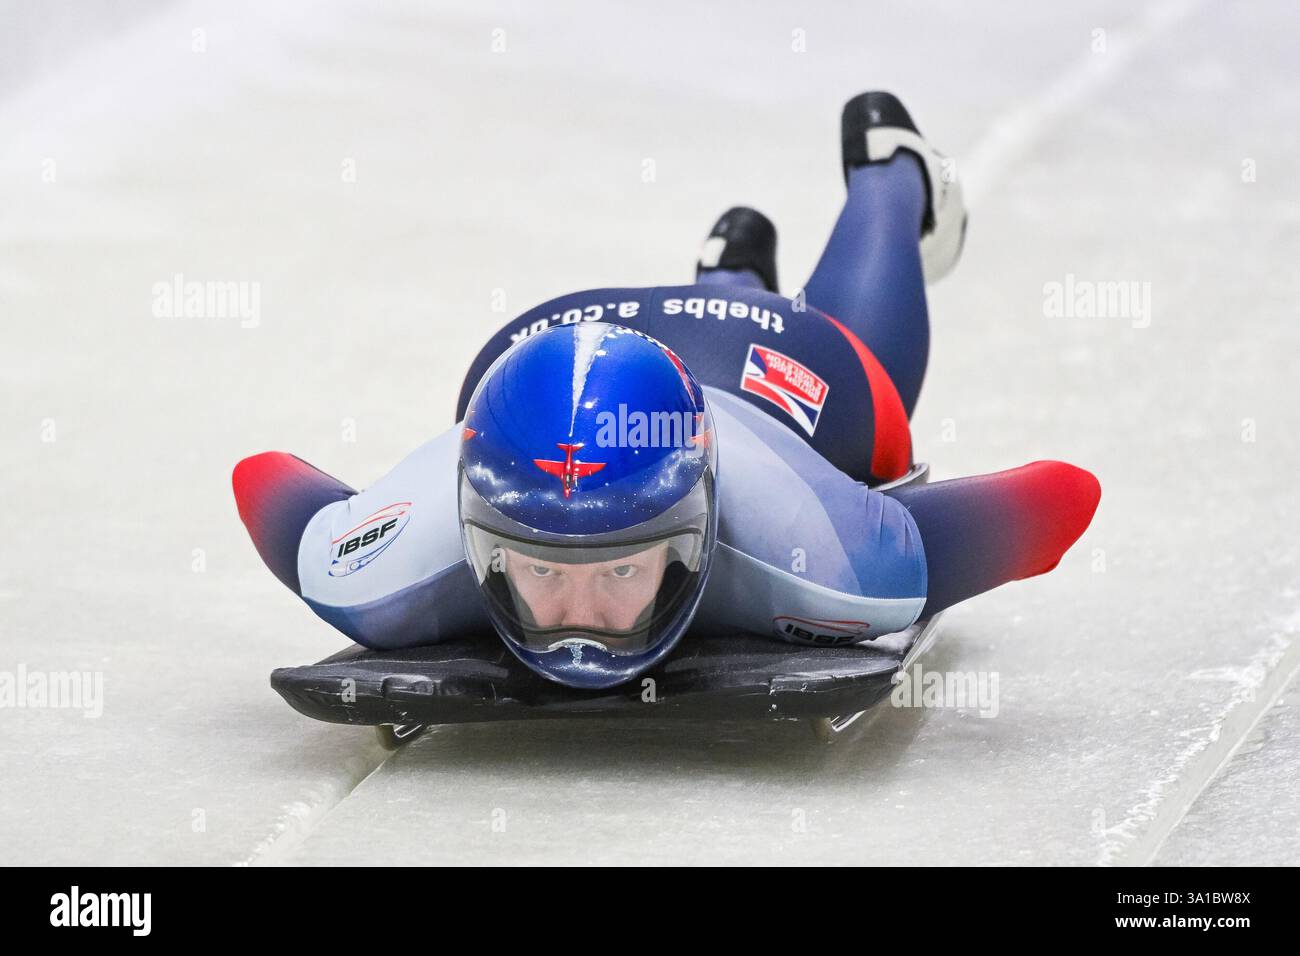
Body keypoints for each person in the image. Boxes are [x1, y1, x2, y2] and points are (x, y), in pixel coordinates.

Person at [233, 92, 1100, 689]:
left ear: (698, 529)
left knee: (872, 403)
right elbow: (269, 486)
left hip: (765, 371)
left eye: (619, 569)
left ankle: (890, 176)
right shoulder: (386, 557)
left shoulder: (816, 547)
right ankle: (734, 274)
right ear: (476, 537)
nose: (580, 621)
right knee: (769, 339)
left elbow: (1045, 506)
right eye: (539, 568)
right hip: (551, 347)